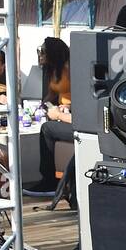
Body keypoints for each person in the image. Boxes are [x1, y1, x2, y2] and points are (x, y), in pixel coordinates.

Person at [26, 37, 73, 195]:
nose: (41, 55)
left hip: (73, 116)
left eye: (44, 52)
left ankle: (49, 180)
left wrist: (62, 112)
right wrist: (42, 105)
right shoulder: (53, 70)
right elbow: (53, 91)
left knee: (47, 129)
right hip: (62, 109)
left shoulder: (72, 69)